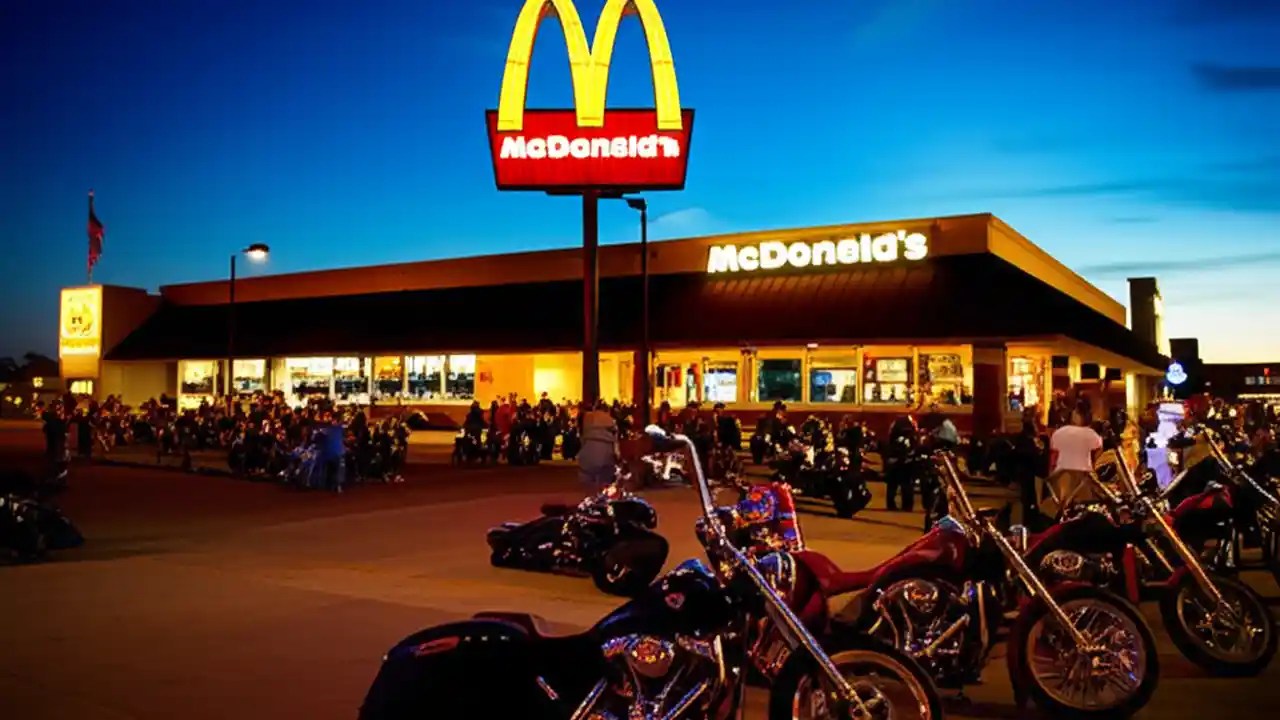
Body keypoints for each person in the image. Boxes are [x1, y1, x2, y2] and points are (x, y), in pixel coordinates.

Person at [1044, 409, 1103, 515]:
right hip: (1083, 476)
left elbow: (1053, 453)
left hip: (1060, 476)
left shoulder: (1058, 433)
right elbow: (1099, 449)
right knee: (1084, 510)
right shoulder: (1090, 433)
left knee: (1060, 508)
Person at [579, 400, 618, 488]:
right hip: (604, 445)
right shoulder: (609, 419)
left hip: (589, 445)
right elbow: (614, 432)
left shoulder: (588, 417)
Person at [884, 415, 919, 511]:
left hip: (896, 461)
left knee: (893, 485)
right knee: (906, 484)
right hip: (905, 462)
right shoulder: (910, 437)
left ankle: (891, 504)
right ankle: (907, 505)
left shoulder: (894, 435)